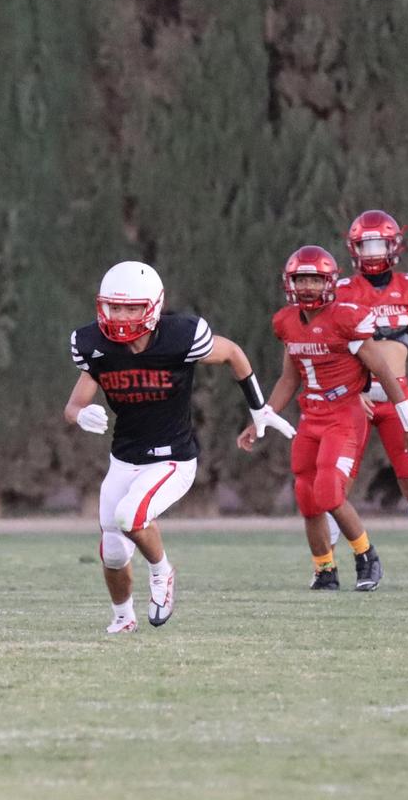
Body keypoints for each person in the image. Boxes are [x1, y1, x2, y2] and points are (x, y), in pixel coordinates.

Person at [61, 261, 284, 634]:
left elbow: (232, 353)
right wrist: (78, 415)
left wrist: (259, 407)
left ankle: (162, 572)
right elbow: (73, 404)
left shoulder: (180, 337)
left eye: (132, 307)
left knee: (130, 516)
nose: (121, 316)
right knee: (113, 550)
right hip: (124, 458)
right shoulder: (94, 345)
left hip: (173, 458)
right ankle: (123, 617)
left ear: (152, 306)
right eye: (115, 306)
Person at [266, 246, 408, 591]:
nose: (306, 286)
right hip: (312, 416)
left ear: (330, 283)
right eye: (301, 279)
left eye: (314, 279)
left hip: (344, 415)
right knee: (307, 498)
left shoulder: (345, 317)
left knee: (329, 493)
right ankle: (324, 570)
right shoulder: (286, 321)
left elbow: (382, 368)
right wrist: (264, 414)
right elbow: (289, 378)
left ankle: (367, 556)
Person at [334, 210, 408, 587]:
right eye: (366, 244)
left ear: (395, 244)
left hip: (400, 399)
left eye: (379, 243)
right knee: (338, 488)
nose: (372, 252)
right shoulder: (343, 291)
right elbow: (336, 352)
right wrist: (348, 394)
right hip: (357, 398)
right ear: (354, 248)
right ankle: (328, 568)